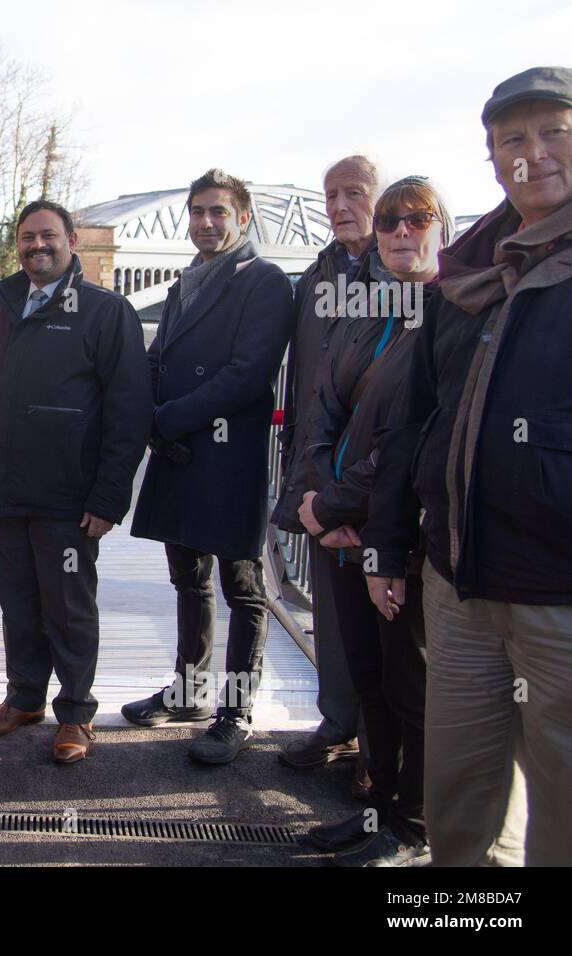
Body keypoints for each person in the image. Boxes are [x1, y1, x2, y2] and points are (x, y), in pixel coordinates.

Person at [361, 66, 572, 867]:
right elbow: (413, 425)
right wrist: (388, 546)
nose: (534, 153)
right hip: (459, 585)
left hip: (559, 592)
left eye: (554, 131)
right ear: (492, 161)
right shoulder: (464, 283)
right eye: (512, 140)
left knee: (560, 811)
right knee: (460, 802)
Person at [0, 199, 150, 763]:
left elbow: (129, 413)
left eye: (48, 237)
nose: (37, 246)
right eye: (27, 238)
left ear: (71, 243)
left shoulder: (106, 313)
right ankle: (24, 699)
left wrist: (110, 496)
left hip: (69, 498)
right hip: (3, 490)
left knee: (68, 606)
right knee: (18, 603)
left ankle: (77, 714)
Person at [297, 177, 454, 866]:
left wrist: (331, 507)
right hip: (344, 536)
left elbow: (411, 442)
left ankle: (413, 826)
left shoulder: (450, 314)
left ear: (441, 228)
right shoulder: (364, 312)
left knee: (407, 685)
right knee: (369, 680)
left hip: (402, 540)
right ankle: (377, 809)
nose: (398, 231)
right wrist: (319, 514)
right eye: (388, 220)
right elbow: (319, 412)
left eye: (415, 219)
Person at [126, 169, 294, 764]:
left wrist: (168, 418)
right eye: (197, 212)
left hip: (228, 458)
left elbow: (248, 375)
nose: (205, 222)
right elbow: (157, 357)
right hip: (179, 453)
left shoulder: (265, 282)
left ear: (242, 218)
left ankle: (237, 711)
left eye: (218, 212)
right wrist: (146, 411)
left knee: (243, 588)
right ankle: (191, 692)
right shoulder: (184, 284)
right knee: (188, 580)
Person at [272, 156, 379, 781]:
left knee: (383, 616)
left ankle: (379, 743)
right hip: (319, 474)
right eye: (331, 195)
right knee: (335, 613)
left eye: (355, 193)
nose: (340, 206)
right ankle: (339, 723)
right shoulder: (317, 276)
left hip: (374, 478)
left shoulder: (405, 272)